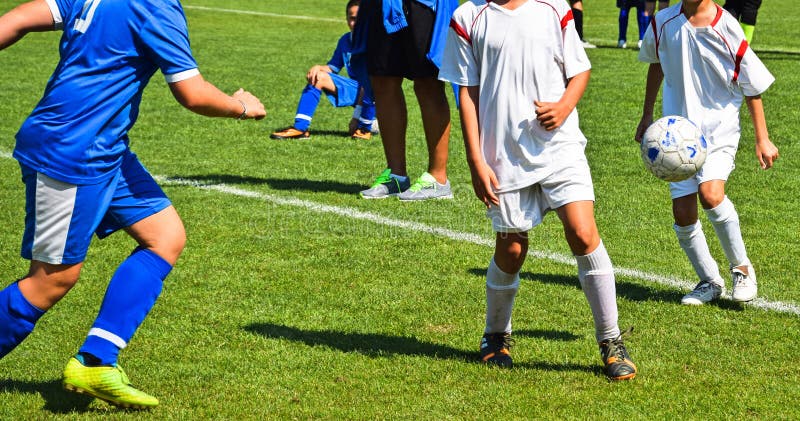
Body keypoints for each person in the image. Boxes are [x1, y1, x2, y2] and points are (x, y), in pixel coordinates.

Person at [0, 0, 265, 410]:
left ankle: (95, 361)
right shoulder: (156, 7)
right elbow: (193, 94)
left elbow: (18, 18)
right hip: (74, 153)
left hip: (102, 149)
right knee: (50, 281)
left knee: (165, 236)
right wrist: (243, 106)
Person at [440, 0, 637, 380]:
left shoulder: (554, 7)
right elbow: (466, 92)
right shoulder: (467, 17)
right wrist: (476, 160)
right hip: (502, 154)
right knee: (512, 248)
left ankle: (611, 340)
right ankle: (496, 334)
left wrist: (564, 107)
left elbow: (579, 71)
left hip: (559, 146)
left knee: (583, 232)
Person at [636, 0, 778, 306]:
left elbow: (751, 83)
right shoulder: (663, 22)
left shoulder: (726, 25)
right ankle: (709, 281)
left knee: (711, 194)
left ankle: (742, 269)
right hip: (677, 136)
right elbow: (656, 63)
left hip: (719, 130)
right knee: (683, 213)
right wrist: (647, 115)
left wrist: (762, 138)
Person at [353, 0, 458, 201]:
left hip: (424, 4)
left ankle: (438, 178)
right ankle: (396, 176)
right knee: (383, 79)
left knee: (428, 81)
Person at [270, 0, 376, 141]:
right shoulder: (345, 40)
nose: (355, 23)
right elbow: (333, 68)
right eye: (352, 18)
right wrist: (318, 68)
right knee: (318, 77)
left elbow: (374, 85)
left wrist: (357, 117)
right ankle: (300, 128)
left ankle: (368, 125)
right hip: (360, 93)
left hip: (377, 100)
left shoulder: (373, 43)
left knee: (369, 85)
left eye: (360, 19)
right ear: (346, 19)